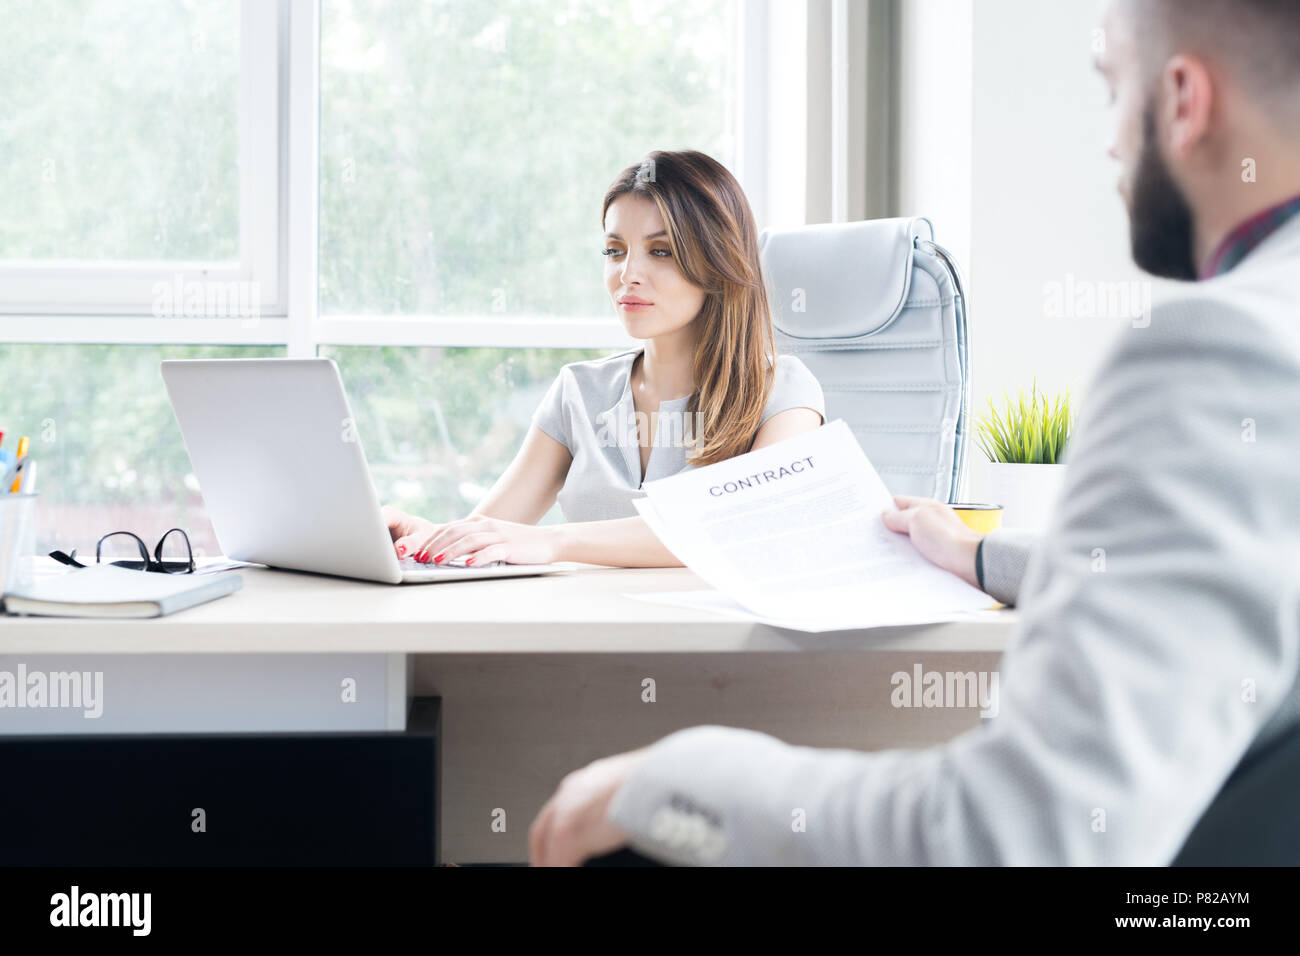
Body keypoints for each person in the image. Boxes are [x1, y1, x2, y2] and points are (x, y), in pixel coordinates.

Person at [528, 0, 1300, 865]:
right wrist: (980, 556)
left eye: (1113, 90)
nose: (1112, 143)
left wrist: (684, 772)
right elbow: (1220, 583)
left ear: (1185, 99)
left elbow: (1017, 836)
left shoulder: (1222, 350)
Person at [382, 150, 825, 569]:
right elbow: (496, 527)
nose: (627, 274)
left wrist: (555, 542)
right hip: (584, 633)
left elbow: (739, 524)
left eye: (661, 250)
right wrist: (430, 538)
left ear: (718, 261)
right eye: (614, 250)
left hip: (711, 641)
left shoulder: (783, 392)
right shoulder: (580, 391)